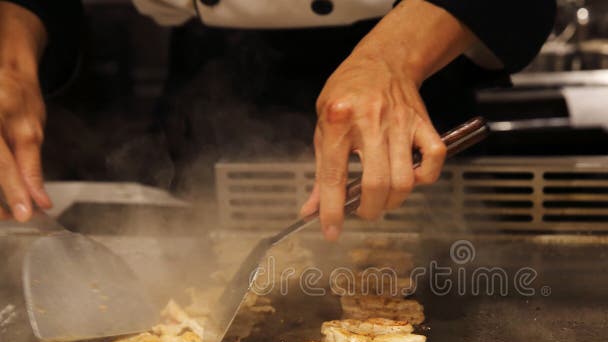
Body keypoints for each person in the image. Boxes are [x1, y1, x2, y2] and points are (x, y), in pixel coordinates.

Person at [0, 0, 555, 240]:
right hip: (211, 70)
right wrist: (14, 34)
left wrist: (393, 57)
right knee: (197, 238)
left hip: (417, 55)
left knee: (440, 260)